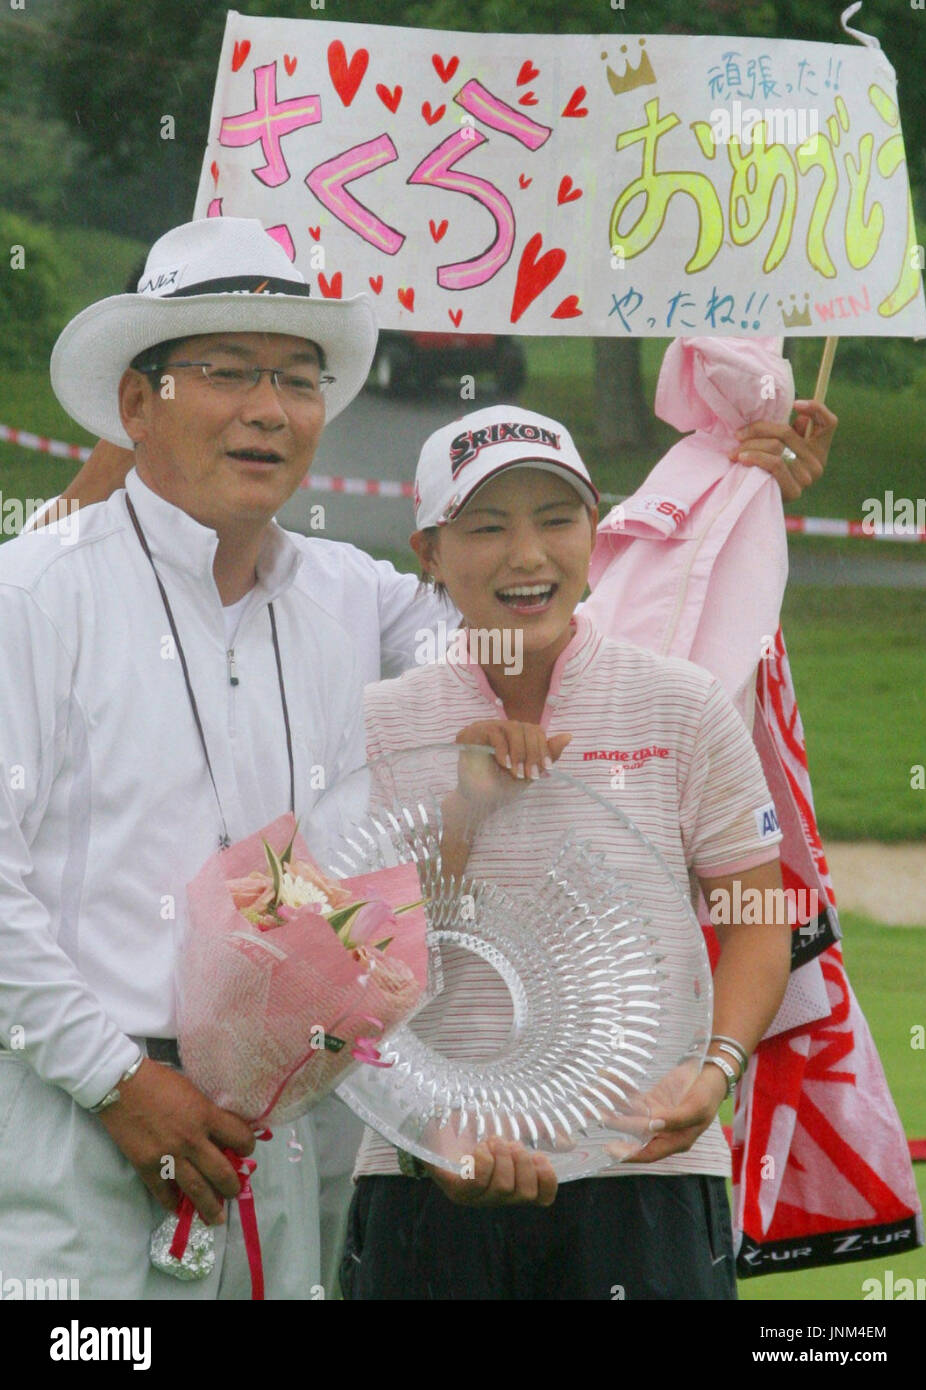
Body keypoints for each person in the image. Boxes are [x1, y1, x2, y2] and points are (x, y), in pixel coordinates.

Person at [0, 215, 386, 1299]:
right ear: (137, 402)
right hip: (75, 1135)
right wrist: (119, 1079)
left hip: (276, 1145)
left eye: (298, 378)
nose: (269, 408)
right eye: (225, 371)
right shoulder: (33, 595)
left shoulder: (341, 602)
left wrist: (727, 495)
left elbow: (524, 612)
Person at [340, 404, 794, 1301]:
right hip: (424, 1171)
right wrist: (462, 817)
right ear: (427, 551)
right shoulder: (378, 722)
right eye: (486, 527)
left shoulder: (683, 704)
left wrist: (715, 1073)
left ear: (595, 532)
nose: (527, 555)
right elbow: (350, 970)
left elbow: (756, 918)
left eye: (556, 519)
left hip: (647, 1166)